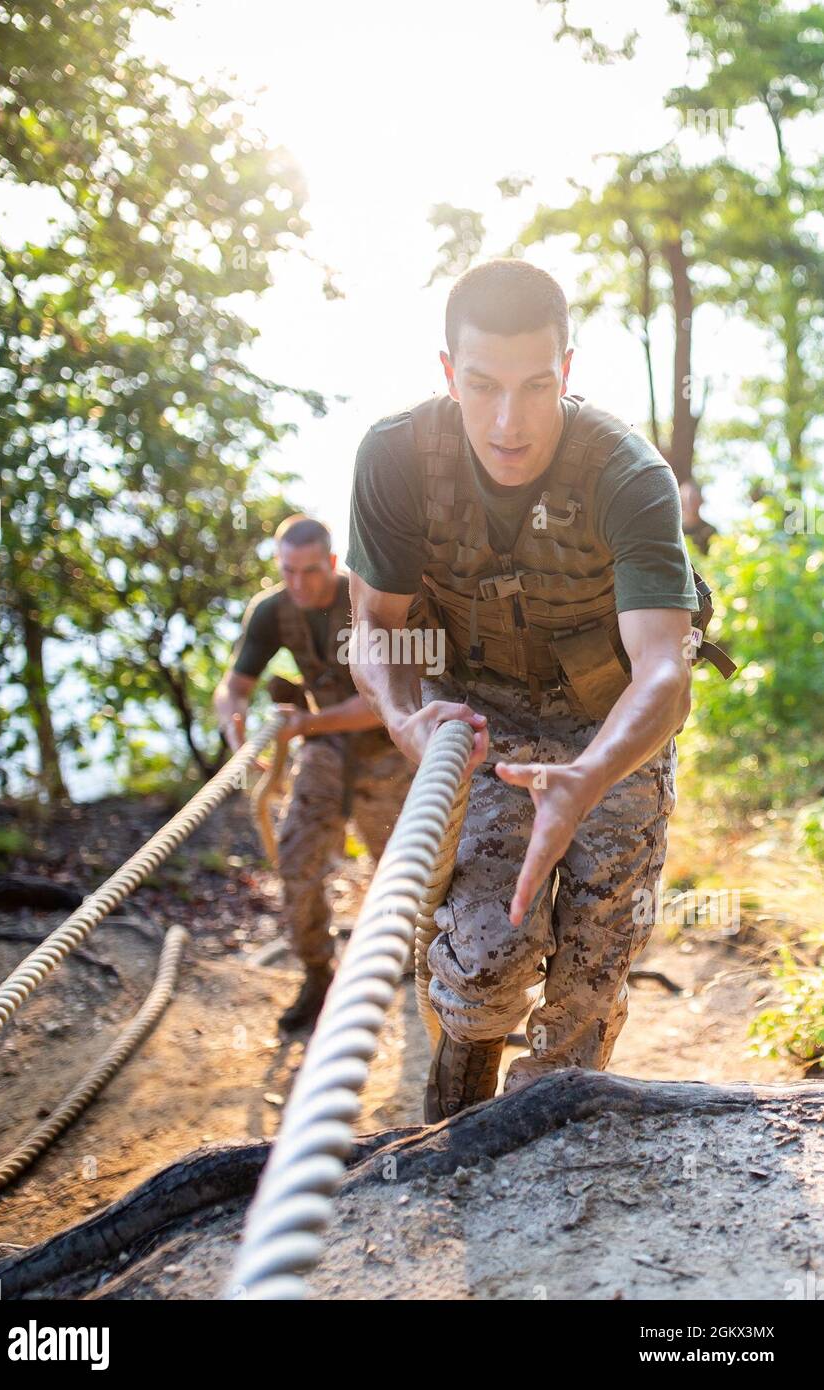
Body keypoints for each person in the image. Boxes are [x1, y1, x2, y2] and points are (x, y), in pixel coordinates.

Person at [345, 258, 732, 1121]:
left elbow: (664, 670)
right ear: (448, 372)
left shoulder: (626, 475)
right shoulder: (398, 458)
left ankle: (551, 1166)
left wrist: (589, 775)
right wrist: (410, 722)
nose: (509, 422)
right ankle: (452, 1134)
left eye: (536, 385)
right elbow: (375, 626)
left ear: (569, 369)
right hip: (480, 722)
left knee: (590, 982)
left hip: (614, 728)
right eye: (481, 385)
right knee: (482, 963)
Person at [213, 514, 413, 1032]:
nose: (298, 583)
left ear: (330, 563)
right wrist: (233, 722)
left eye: (309, 571)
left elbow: (386, 700)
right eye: (288, 571)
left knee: (401, 872)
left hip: (388, 747)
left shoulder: (367, 600)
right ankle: (318, 974)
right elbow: (232, 686)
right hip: (324, 750)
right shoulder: (272, 611)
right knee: (297, 858)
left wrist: (306, 724)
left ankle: (423, 972)